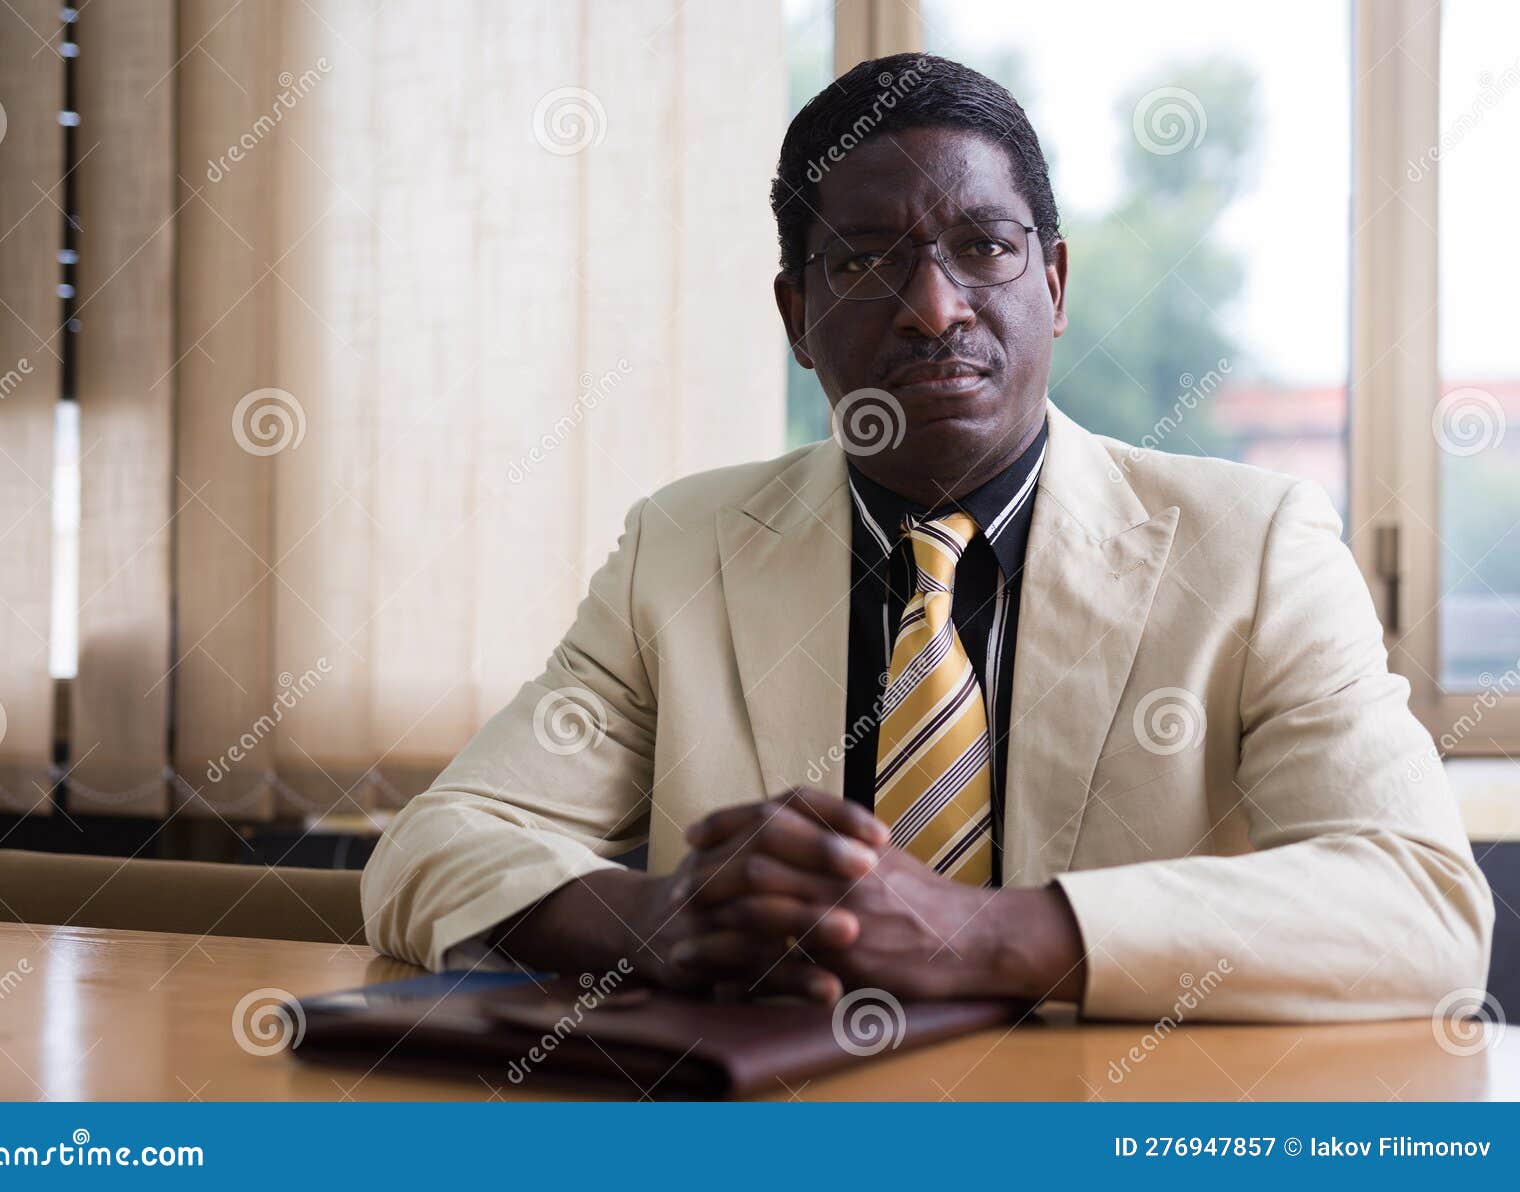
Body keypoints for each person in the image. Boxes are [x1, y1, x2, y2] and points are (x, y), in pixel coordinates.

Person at [362, 53, 1491, 1021]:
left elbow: (1421, 905)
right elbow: (435, 847)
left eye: (983, 247)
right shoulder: (682, 546)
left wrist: (983, 933)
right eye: (861, 261)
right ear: (795, 317)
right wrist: (659, 917)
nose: (933, 306)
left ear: (1051, 283)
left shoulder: (1253, 547)